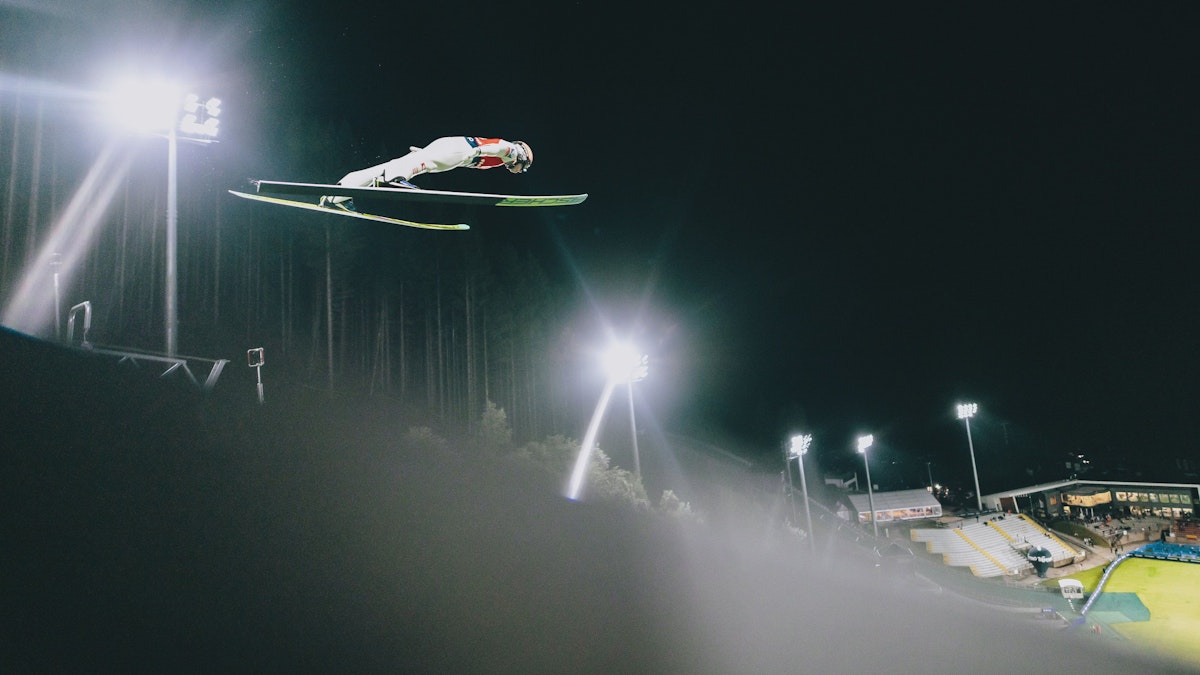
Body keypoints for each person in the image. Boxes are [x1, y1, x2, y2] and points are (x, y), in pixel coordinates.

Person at [320, 136, 533, 209]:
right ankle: (393, 179)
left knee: (389, 166)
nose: (518, 171)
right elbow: (496, 147)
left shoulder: (504, 158)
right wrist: (475, 151)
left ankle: (337, 195)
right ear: (522, 158)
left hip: (456, 152)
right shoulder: (511, 151)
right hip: (461, 150)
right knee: (415, 163)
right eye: (522, 168)